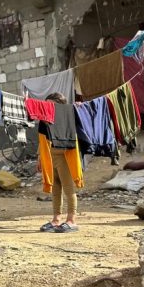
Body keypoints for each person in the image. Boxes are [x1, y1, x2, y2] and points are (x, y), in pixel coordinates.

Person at [38, 92, 82, 233]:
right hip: (50, 157)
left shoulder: (68, 117)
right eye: (47, 104)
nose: (49, 107)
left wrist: (78, 108)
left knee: (69, 189)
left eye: (52, 105)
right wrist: (40, 157)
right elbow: (42, 140)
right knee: (55, 190)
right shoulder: (45, 119)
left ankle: (71, 220)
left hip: (65, 157)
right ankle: (56, 220)